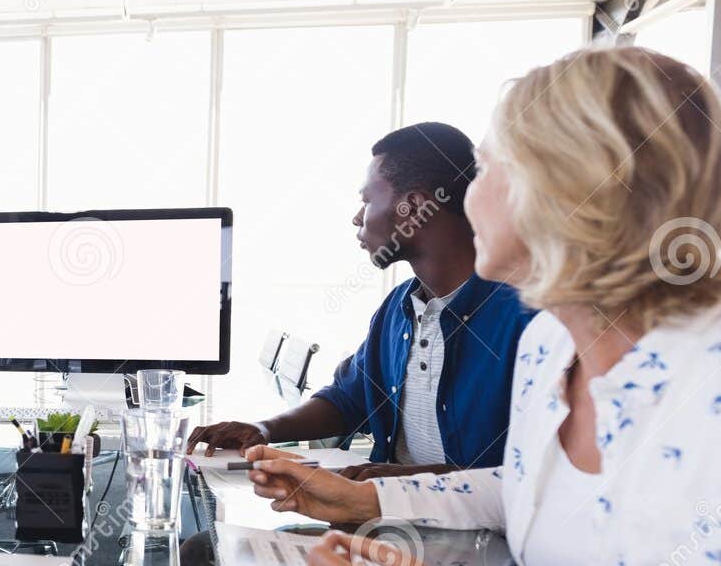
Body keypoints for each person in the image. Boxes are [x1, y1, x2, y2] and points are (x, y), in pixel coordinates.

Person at [246, 45, 721, 566]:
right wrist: (368, 495)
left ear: (567, 183)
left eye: (489, 166)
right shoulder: (551, 344)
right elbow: (523, 484)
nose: (467, 192)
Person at [190, 122, 535, 480]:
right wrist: (262, 430)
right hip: (385, 516)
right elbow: (348, 399)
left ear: (413, 207)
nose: (357, 217)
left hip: (469, 529)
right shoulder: (399, 306)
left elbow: (526, 477)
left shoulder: (524, 318)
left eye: (367, 199)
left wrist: (395, 482)